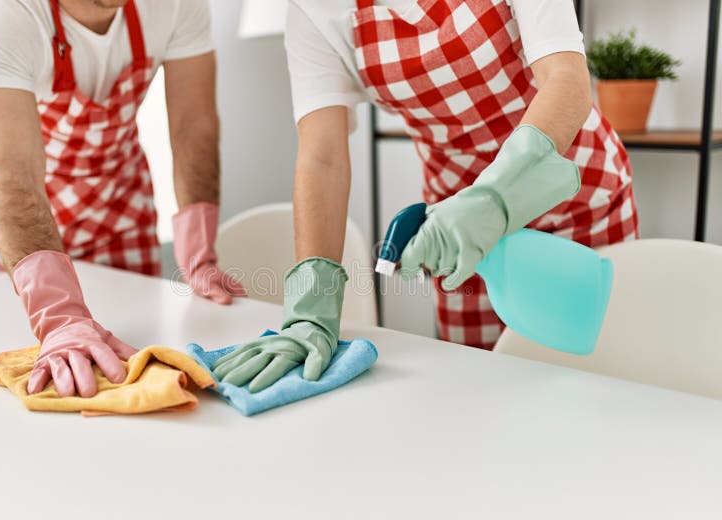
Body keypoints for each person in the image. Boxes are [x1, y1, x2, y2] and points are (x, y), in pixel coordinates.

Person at [211, 0, 638, 392]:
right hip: (455, 233)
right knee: (486, 393)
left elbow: (566, 80)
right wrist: (311, 305)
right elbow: (322, 157)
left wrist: (494, 197)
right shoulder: (314, 10)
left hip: (577, 197)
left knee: (595, 388)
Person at [0, 0, 245, 398]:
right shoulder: (1, 14)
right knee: (68, 378)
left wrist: (199, 250)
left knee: (136, 360)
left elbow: (194, 128)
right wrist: (57, 320)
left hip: (123, 195)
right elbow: (12, 177)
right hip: (34, 217)